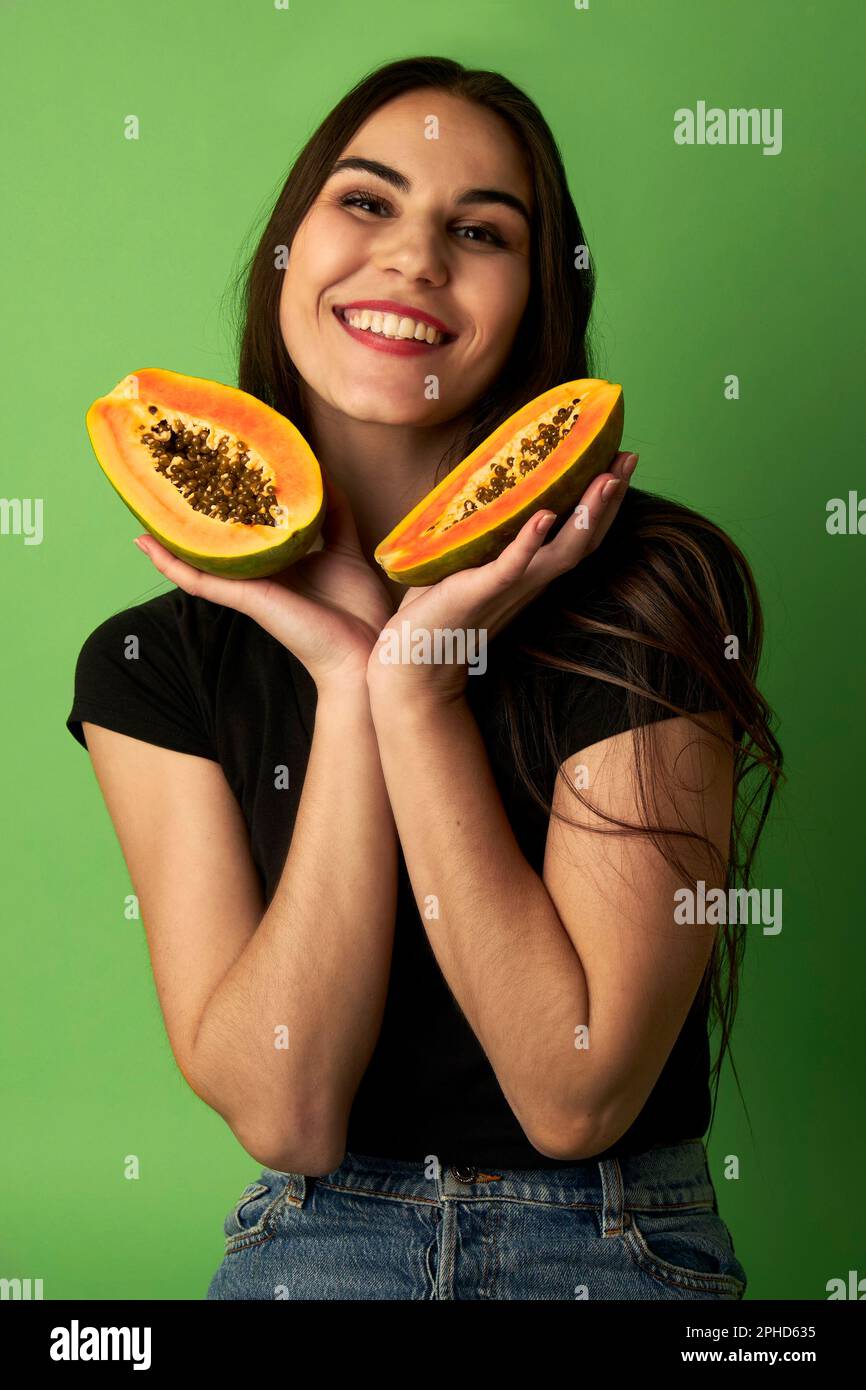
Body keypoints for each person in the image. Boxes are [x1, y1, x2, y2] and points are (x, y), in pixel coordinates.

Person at [66, 56, 782, 1301]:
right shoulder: (152, 660)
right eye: (365, 202)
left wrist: (416, 689)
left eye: (478, 230)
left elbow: (574, 1091)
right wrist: (346, 690)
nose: (411, 259)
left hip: (611, 1239)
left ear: (537, 297)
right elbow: (285, 1113)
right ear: (288, 249)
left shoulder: (658, 587)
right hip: (313, 1235)